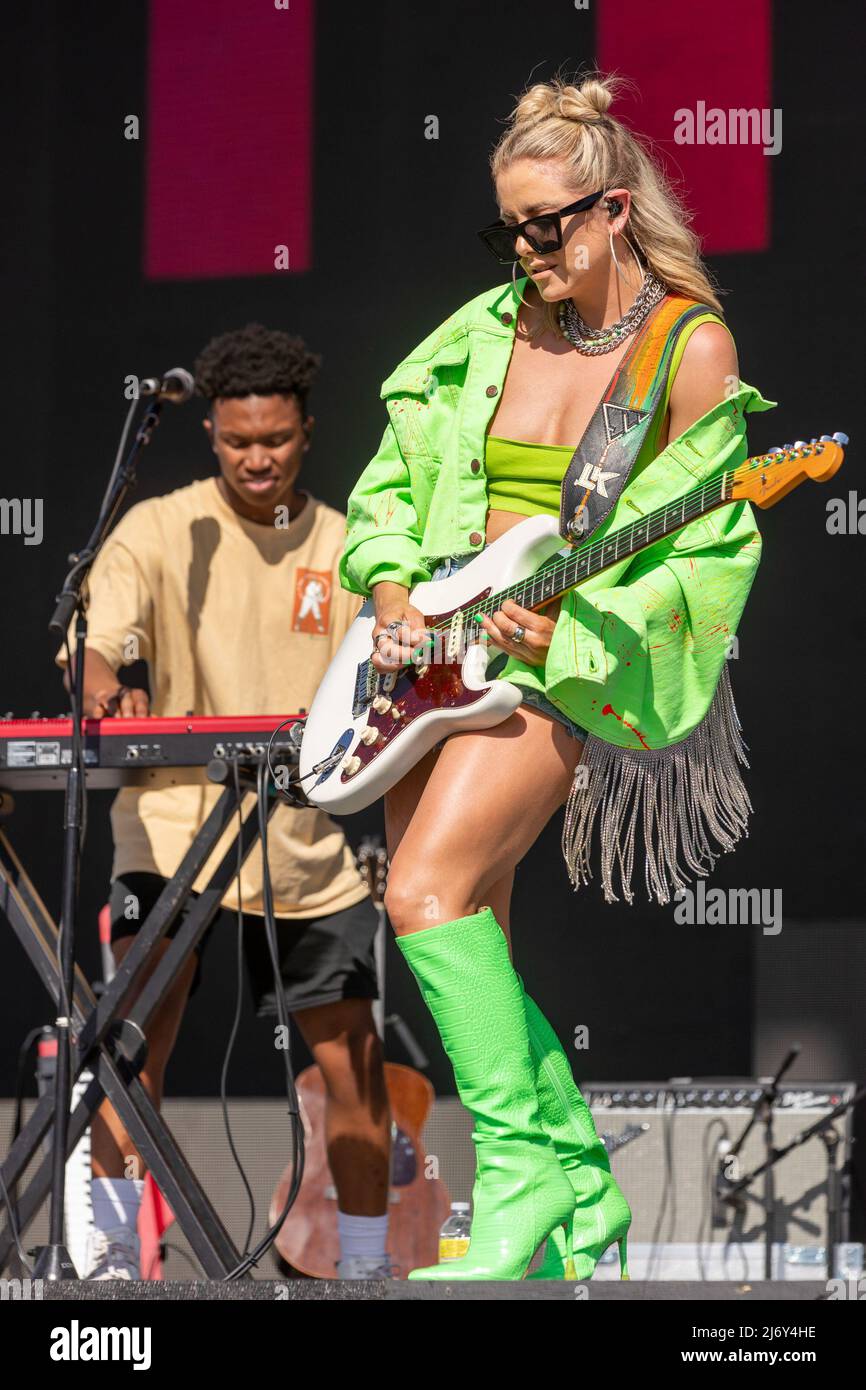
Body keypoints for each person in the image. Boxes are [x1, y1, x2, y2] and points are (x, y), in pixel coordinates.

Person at [338, 74, 772, 1280]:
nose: (523, 252)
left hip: (557, 664)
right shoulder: (484, 330)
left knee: (423, 891)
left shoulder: (685, 346)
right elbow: (385, 487)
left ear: (613, 210)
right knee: (456, 919)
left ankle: (523, 1177)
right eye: (506, 229)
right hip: (434, 660)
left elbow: (705, 549)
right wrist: (384, 592)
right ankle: (575, 1187)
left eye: (545, 226)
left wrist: (578, 631)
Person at [57, 325, 392, 1281]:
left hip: (303, 848)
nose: (258, 458)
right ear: (211, 431)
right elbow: (96, 641)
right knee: (130, 1047)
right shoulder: (160, 528)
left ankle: (364, 1271)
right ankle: (117, 1265)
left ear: (307, 432)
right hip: (168, 829)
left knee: (353, 1066)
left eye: (277, 440)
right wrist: (100, 677)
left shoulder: (343, 543)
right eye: (240, 440)